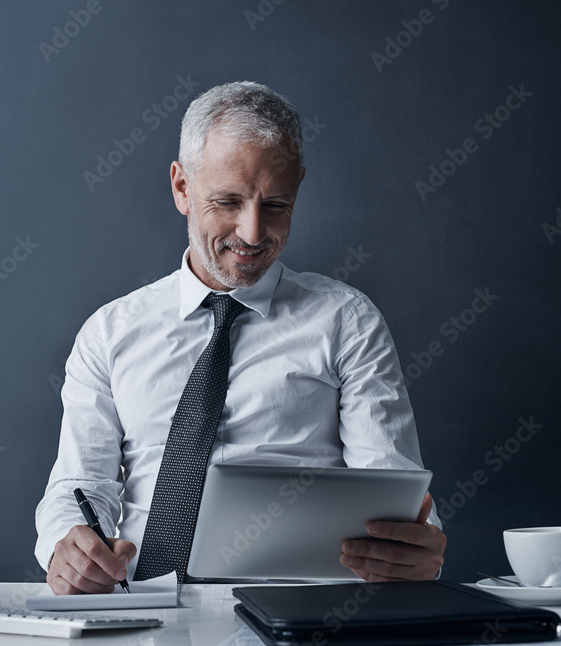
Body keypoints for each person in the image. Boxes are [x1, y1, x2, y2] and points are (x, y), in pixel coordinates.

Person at [35, 81, 446, 595]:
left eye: (275, 205)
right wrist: (65, 547)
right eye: (228, 201)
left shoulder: (347, 321)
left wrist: (413, 548)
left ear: (298, 186)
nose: (252, 233)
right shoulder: (108, 333)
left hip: (302, 615)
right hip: (142, 608)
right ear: (182, 188)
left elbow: (393, 498)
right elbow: (77, 489)